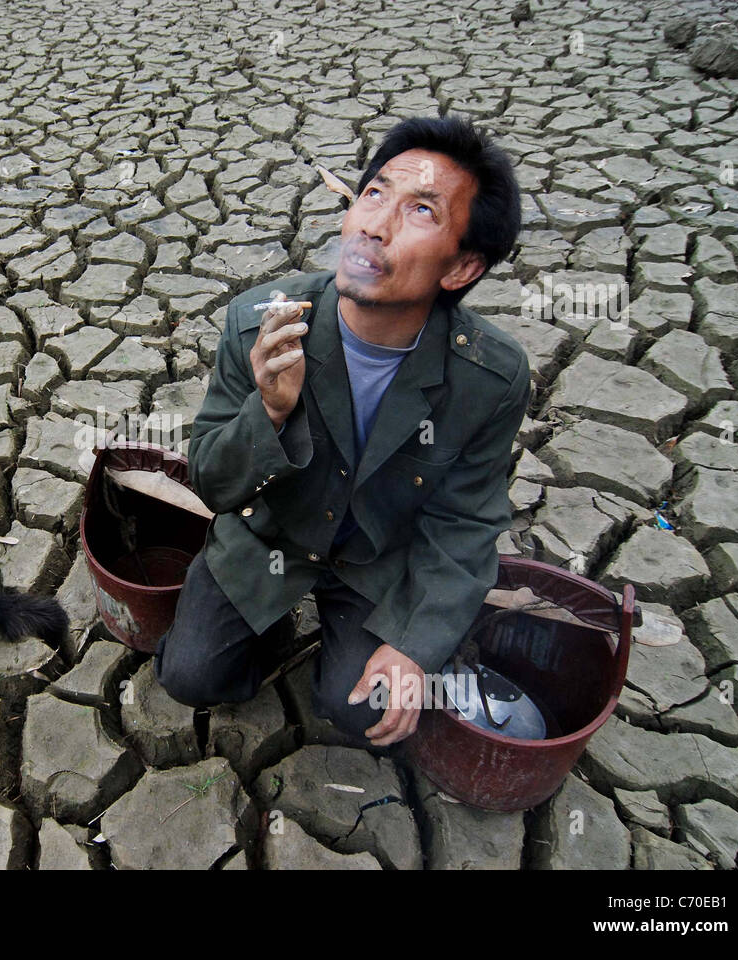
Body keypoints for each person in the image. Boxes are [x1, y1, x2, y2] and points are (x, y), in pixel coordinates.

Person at [153, 115, 531, 749]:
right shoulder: (260, 324)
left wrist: (416, 645)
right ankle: (266, 627)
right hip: (269, 538)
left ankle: (360, 646)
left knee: (364, 712)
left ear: (462, 267)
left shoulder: (488, 377)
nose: (373, 225)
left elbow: (465, 524)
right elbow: (212, 483)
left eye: (420, 212)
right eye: (374, 193)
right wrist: (268, 412)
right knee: (192, 675)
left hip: (378, 562)